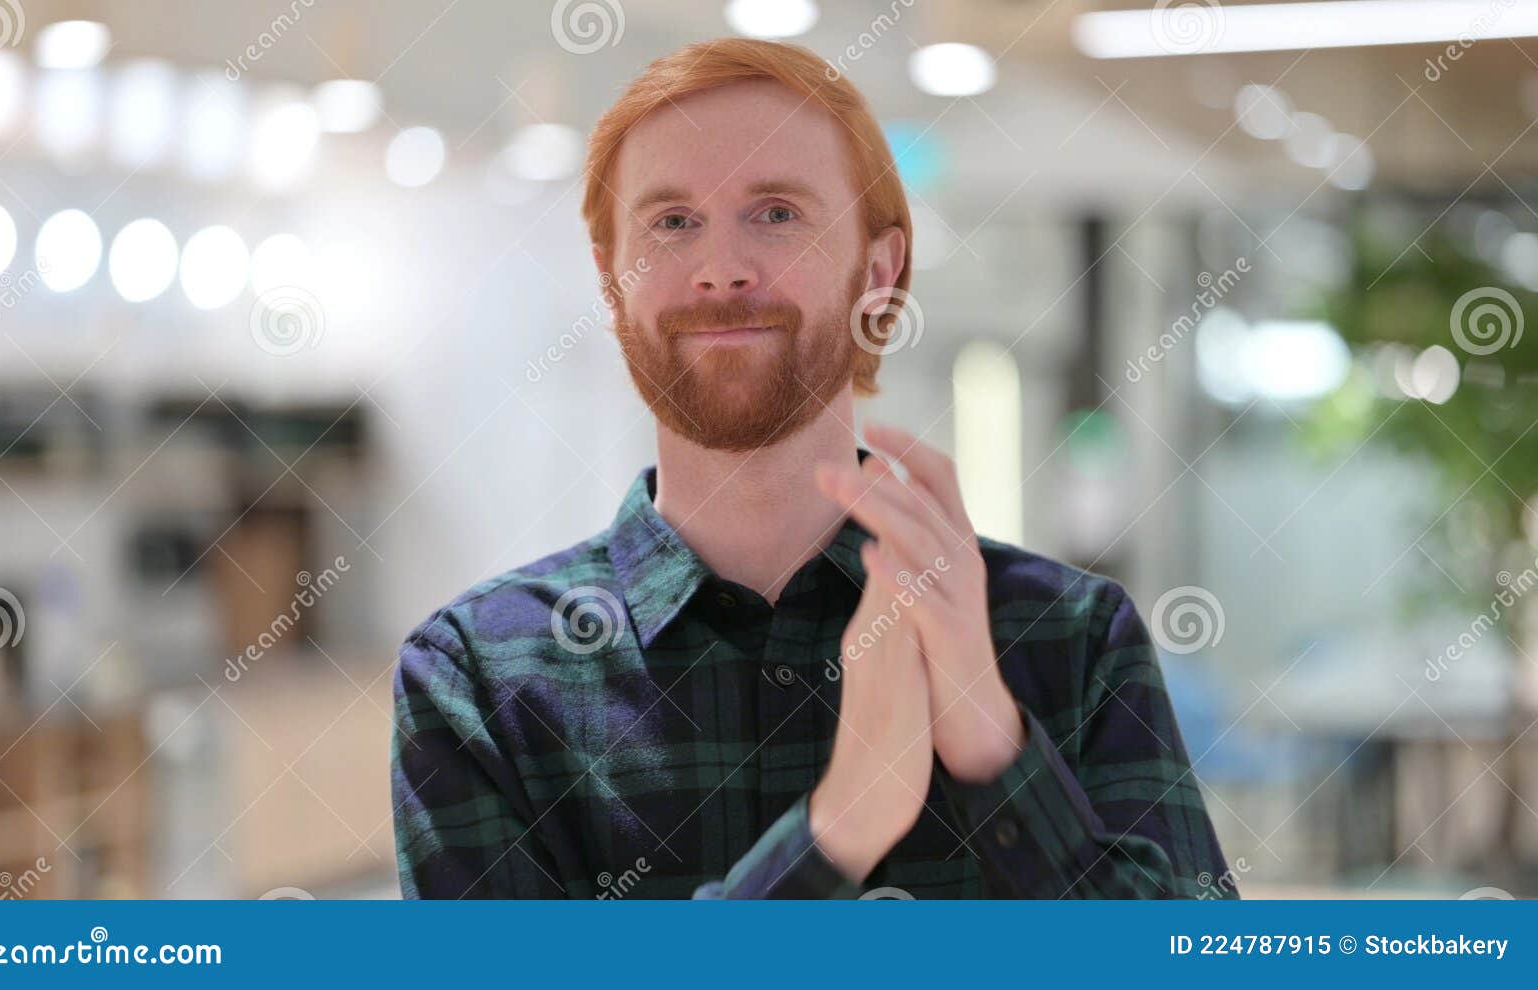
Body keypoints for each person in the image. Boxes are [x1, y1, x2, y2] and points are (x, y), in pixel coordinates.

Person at [390, 36, 1232, 899]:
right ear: (612, 282)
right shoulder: (480, 685)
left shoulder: (1072, 640)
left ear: (878, 270)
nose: (721, 270)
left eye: (777, 213)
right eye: (672, 223)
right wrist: (840, 828)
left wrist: (995, 745)